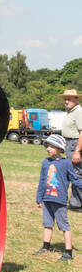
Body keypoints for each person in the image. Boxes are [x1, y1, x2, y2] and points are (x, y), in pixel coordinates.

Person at [34, 133, 74, 260]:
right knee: (47, 224)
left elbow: (74, 178)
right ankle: (45, 246)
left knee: (64, 226)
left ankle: (68, 252)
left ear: (60, 149)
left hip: (59, 200)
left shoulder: (66, 163)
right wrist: (39, 198)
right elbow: (42, 181)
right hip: (46, 199)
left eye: (51, 146)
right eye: (47, 146)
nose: (48, 148)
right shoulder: (45, 162)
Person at [61, 87, 82, 215]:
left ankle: (77, 203)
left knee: (76, 174)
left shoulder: (78, 112)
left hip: (75, 144)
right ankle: (75, 202)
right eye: (65, 99)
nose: (66, 101)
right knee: (73, 173)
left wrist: (77, 150)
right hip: (69, 143)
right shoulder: (71, 112)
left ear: (76, 99)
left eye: (69, 99)